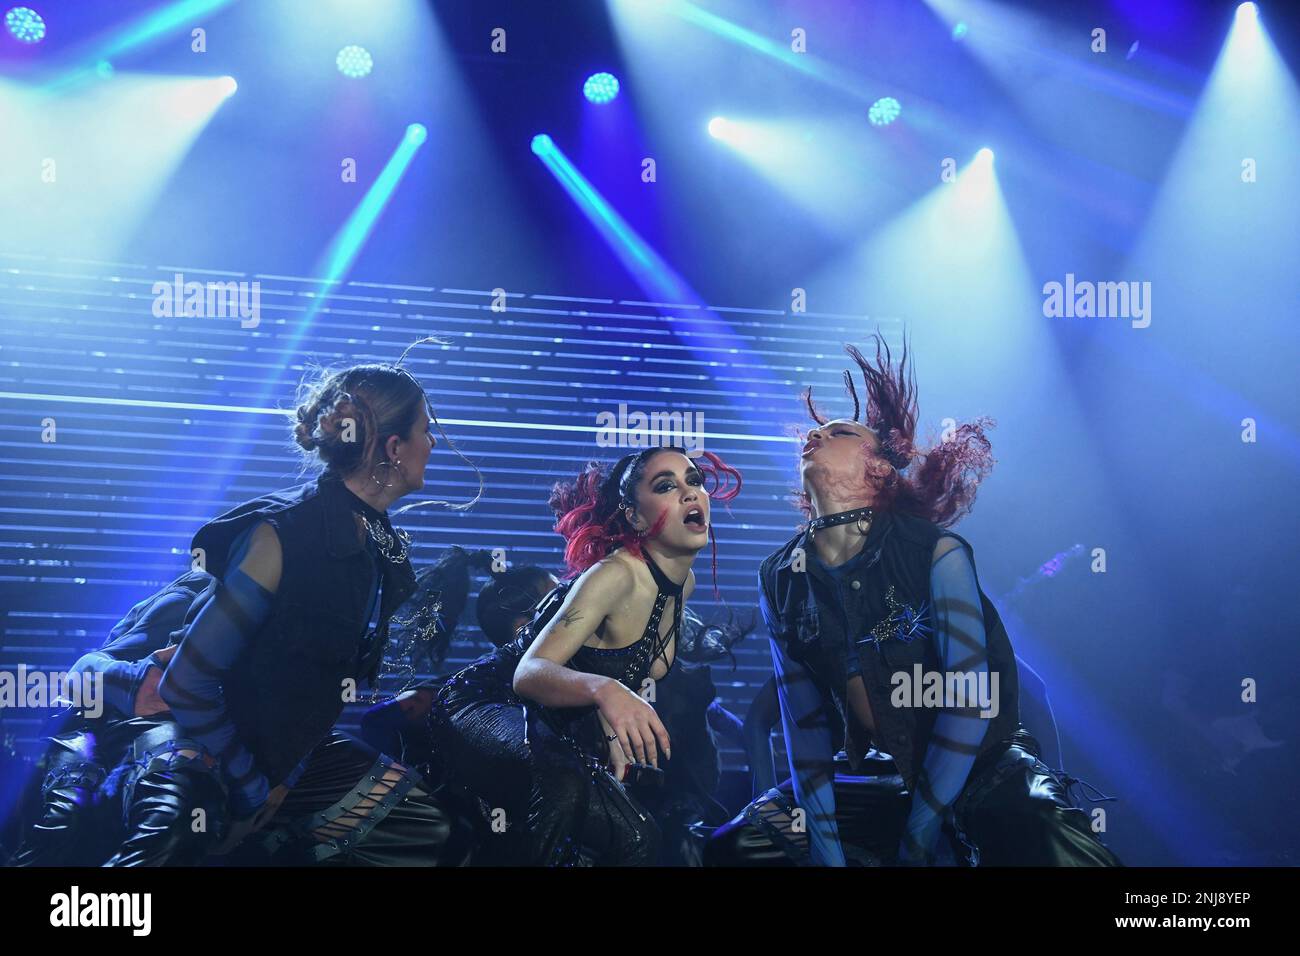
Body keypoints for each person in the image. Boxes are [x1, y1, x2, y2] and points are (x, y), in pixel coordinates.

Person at [12, 343, 478, 866]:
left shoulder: (375, 545)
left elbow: (315, 687)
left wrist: (283, 776)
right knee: (170, 839)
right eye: (423, 431)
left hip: (280, 748)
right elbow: (184, 685)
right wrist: (256, 788)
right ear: (394, 446)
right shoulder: (285, 532)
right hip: (203, 733)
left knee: (421, 828)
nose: (432, 443)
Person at [714, 334, 1121, 867]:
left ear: (879, 468)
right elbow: (804, 722)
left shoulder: (936, 552)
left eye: (840, 432)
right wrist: (826, 848)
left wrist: (920, 835)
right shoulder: (780, 575)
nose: (815, 433)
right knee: (737, 846)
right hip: (878, 773)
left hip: (981, 765)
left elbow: (970, 701)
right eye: (816, 429)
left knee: (1052, 838)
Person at [432, 446, 740, 865]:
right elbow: (529, 674)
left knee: (638, 840)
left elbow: (605, 663)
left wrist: (611, 732)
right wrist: (605, 692)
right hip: (485, 701)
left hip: (546, 725)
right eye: (666, 486)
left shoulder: (681, 586)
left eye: (694, 481)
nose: (690, 494)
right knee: (564, 783)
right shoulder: (615, 574)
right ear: (634, 516)